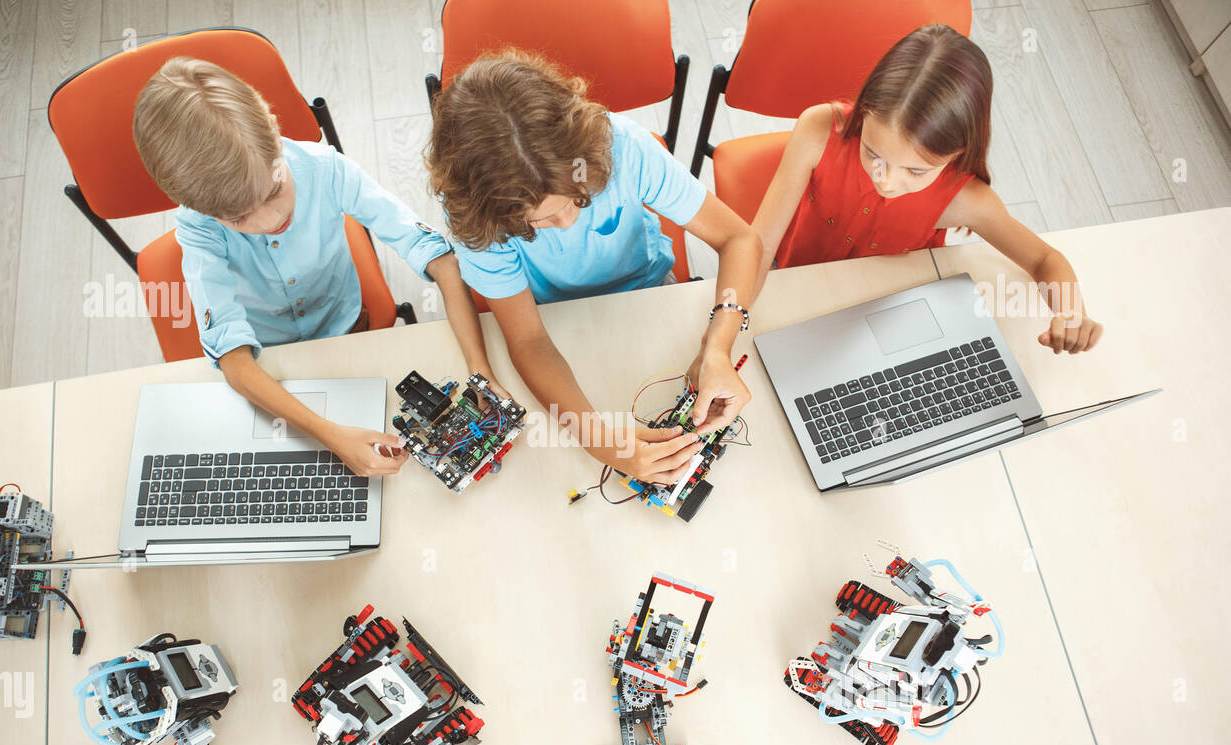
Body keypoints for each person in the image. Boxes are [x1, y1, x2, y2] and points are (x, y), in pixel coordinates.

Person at [133, 56, 504, 476]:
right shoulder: (197, 225)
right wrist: (331, 436)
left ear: (273, 128)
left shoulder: (325, 168)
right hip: (271, 363)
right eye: (239, 220)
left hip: (350, 326)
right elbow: (235, 362)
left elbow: (438, 256)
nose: (269, 221)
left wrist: (480, 370)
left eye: (274, 190)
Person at [426, 51, 763, 486]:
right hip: (550, 321)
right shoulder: (477, 218)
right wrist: (598, 440)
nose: (567, 221)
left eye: (577, 199)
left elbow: (739, 239)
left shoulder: (623, 147)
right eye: (541, 219)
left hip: (648, 295)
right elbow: (528, 339)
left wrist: (718, 344)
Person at [751, 24, 1103, 355]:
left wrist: (1072, 314)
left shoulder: (965, 199)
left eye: (916, 171)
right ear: (863, 112)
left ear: (956, 154)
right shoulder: (820, 128)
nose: (885, 181)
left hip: (886, 326)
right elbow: (760, 247)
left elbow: (1044, 259)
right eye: (873, 153)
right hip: (793, 292)